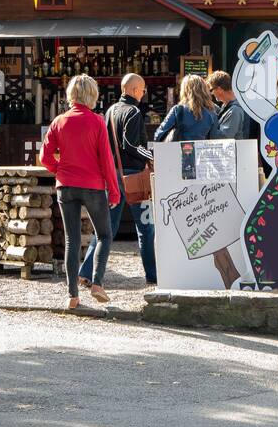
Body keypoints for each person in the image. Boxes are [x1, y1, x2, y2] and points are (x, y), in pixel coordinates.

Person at [41, 74, 120, 308]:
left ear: (70, 95)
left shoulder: (59, 121)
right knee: (104, 235)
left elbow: (45, 157)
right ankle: (96, 283)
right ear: (92, 95)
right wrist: (113, 191)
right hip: (93, 186)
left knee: (71, 240)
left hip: (65, 186)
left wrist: (60, 170)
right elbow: (106, 160)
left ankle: (72, 295)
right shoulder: (96, 121)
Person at [82, 72, 157, 286]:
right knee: (145, 228)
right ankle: (152, 275)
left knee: (105, 228)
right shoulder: (133, 112)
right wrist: (151, 157)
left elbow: (105, 144)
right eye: (142, 89)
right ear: (134, 90)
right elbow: (130, 145)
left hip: (112, 176)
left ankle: (85, 272)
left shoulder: (111, 110)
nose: (143, 93)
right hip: (133, 177)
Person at [154, 73, 218, 142]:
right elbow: (215, 139)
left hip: (179, 151)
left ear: (185, 91)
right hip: (202, 151)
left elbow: (159, 135)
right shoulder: (212, 112)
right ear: (204, 90)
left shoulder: (178, 110)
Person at [207, 70, 252, 140]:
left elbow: (224, 137)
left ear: (219, 89)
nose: (212, 93)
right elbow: (222, 114)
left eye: (211, 90)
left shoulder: (235, 110)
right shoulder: (229, 105)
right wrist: (206, 103)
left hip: (236, 150)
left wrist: (207, 127)